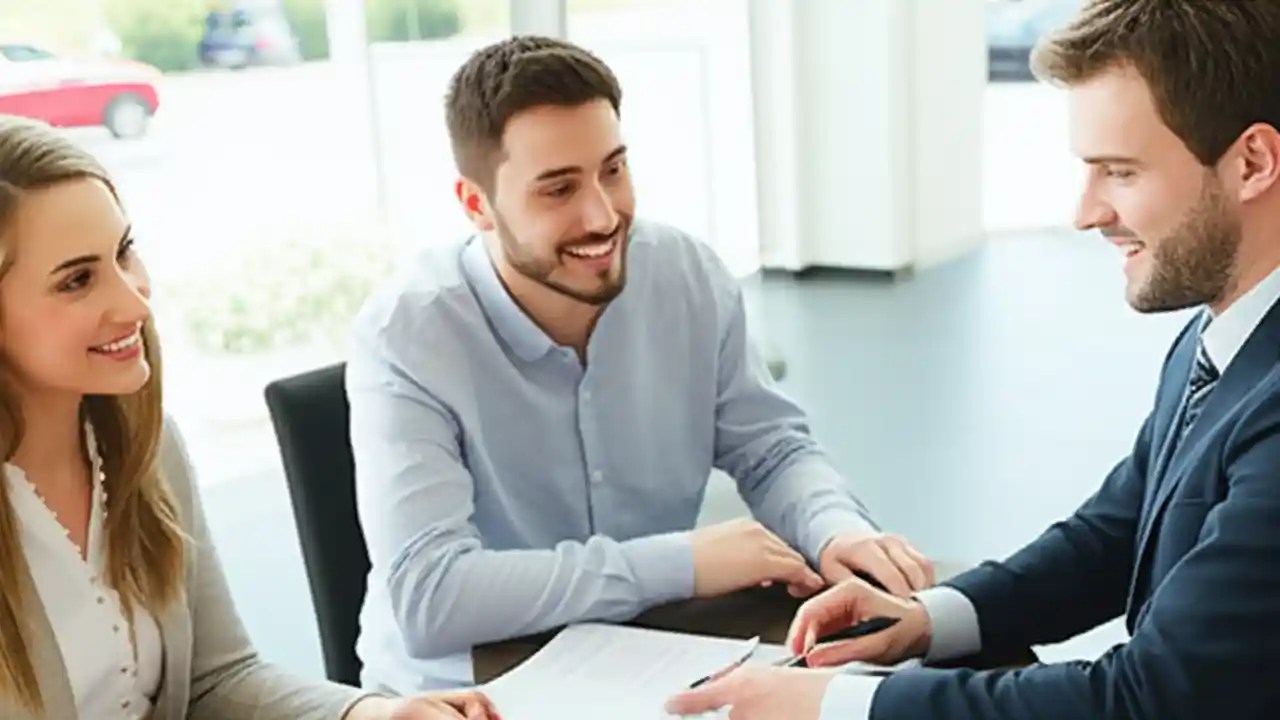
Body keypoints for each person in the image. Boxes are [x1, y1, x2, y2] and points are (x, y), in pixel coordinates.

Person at [665, 2, 1280, 718]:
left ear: (1253, 163)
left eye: (1120, 172)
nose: (1085, 212)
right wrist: (931, 617)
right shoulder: (1224, 334)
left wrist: (840, 707)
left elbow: (1149, 699)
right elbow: (1118, 530)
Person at [347, 35, 935, 692]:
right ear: (476, 205)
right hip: (464, 689)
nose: (602, 214)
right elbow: (432, 597)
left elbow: (770, 449)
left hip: (651, 654)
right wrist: (681, 564)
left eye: (613, 170)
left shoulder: (686, 275)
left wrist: (833, 529)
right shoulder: (407, 333)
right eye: (559, 189)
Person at [0, 115, 498, 720]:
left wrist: (374, 714)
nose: (135, 299)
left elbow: (218, 679)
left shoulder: (148, 449)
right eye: (77, 280)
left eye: (124, 252)